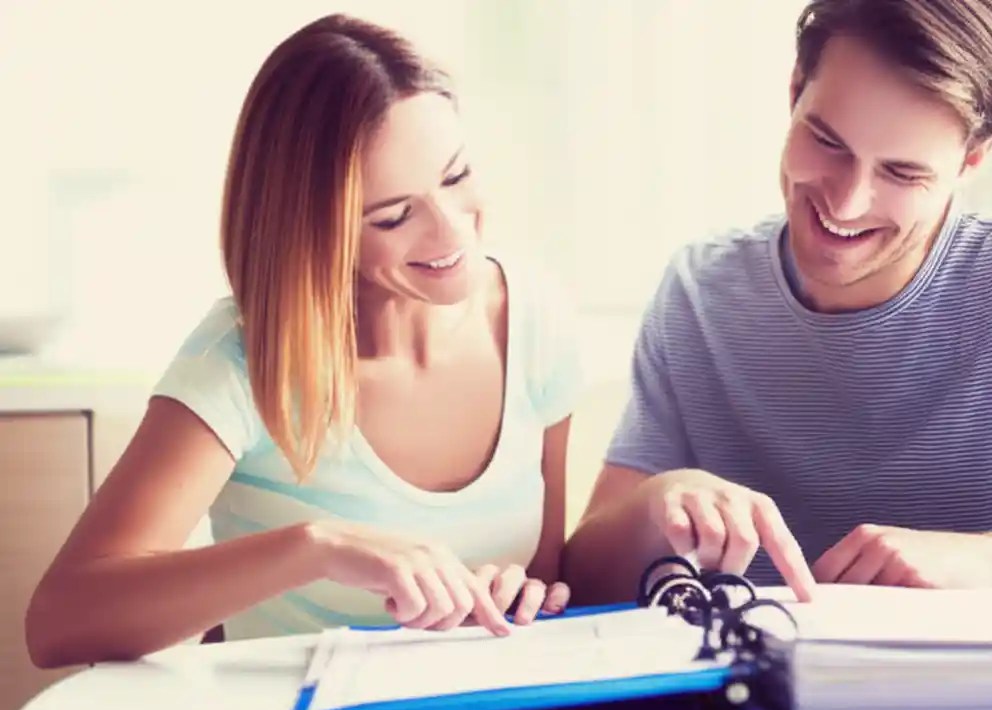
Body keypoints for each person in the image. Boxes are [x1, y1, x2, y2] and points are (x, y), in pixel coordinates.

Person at [564, 0, 992, 631]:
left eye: (902, 173)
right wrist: (660, 507)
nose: (844, 205)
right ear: (792, 95)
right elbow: (584, 571)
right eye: (827, 142)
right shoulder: (698, 293)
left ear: (973, 159)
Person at [27, 13, 582, 668]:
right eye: (395, 215)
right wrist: (311, 548)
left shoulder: (535, 321)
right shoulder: (240, 362)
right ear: (315, 229)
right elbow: (60, 623)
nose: (451, 231)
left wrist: (523, 596)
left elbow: (548, 585)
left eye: (456, 177)